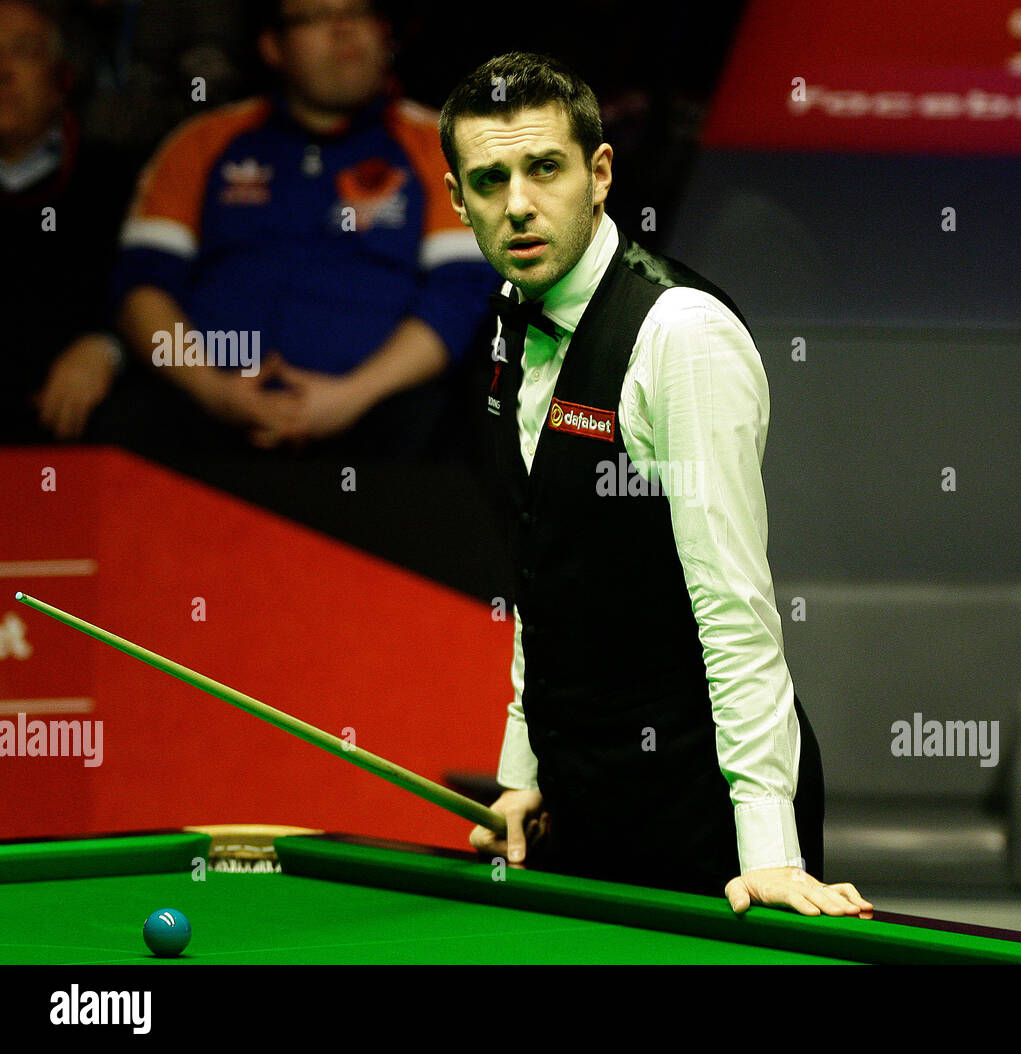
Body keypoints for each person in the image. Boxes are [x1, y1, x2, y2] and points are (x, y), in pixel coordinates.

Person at [443, 52, 872, 917]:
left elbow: (734, 605)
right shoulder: (502, 323)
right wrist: (520, 773)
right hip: (580, 807)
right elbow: (544, 584)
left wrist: (769, 849)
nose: (518, 202)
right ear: (458, 201)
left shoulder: (680, 336)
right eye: (489, 180)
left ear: (600, 175)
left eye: (544, 168)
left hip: (702, 820)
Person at [110, 0, 498, 458]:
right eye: (316, 17)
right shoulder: (202, 140)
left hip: (382, 416)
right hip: (203, 407)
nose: (344, 31)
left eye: (359, 13)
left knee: (451, 426)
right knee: (127, 421)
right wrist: (214, 390)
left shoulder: (443, 144)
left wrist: (351, 396)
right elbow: (141, 288)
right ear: (272, 47)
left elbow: (461, 296)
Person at [0, 0, 133, 443]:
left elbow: (163, 302)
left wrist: (108, 348)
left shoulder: (117, 181)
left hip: (76, 434)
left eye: (24, 51)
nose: (1, 70)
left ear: (61, 82)